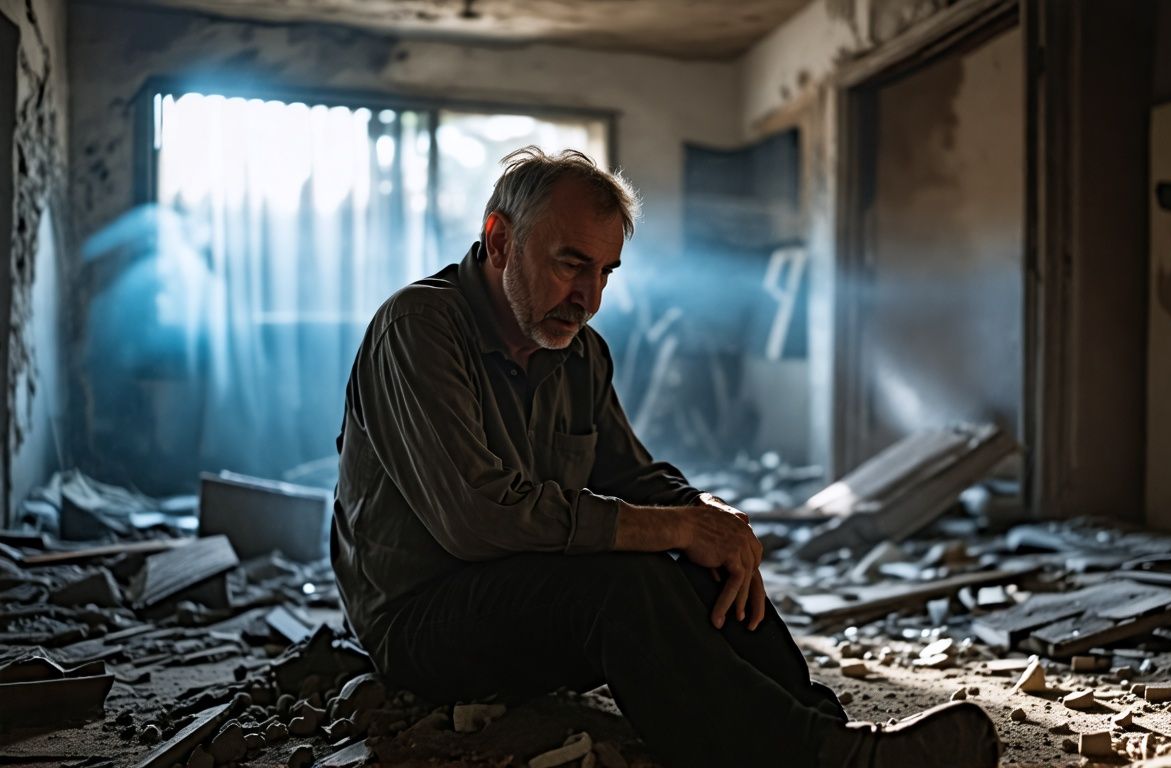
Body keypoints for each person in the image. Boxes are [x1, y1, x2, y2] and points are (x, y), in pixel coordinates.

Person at [330, 146, 1001, 768]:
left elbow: (630, 475)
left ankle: (823, 728)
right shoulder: (419, 328)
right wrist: (674, 527)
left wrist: (708, 518)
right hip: (421, 620)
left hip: (522, 589)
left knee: (704, 564)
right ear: (500, 240)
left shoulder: (579, 353)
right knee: (621, 581)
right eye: (570, 264)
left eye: (604, 273)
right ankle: (809, 758)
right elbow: (478, 519)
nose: (589, 299)